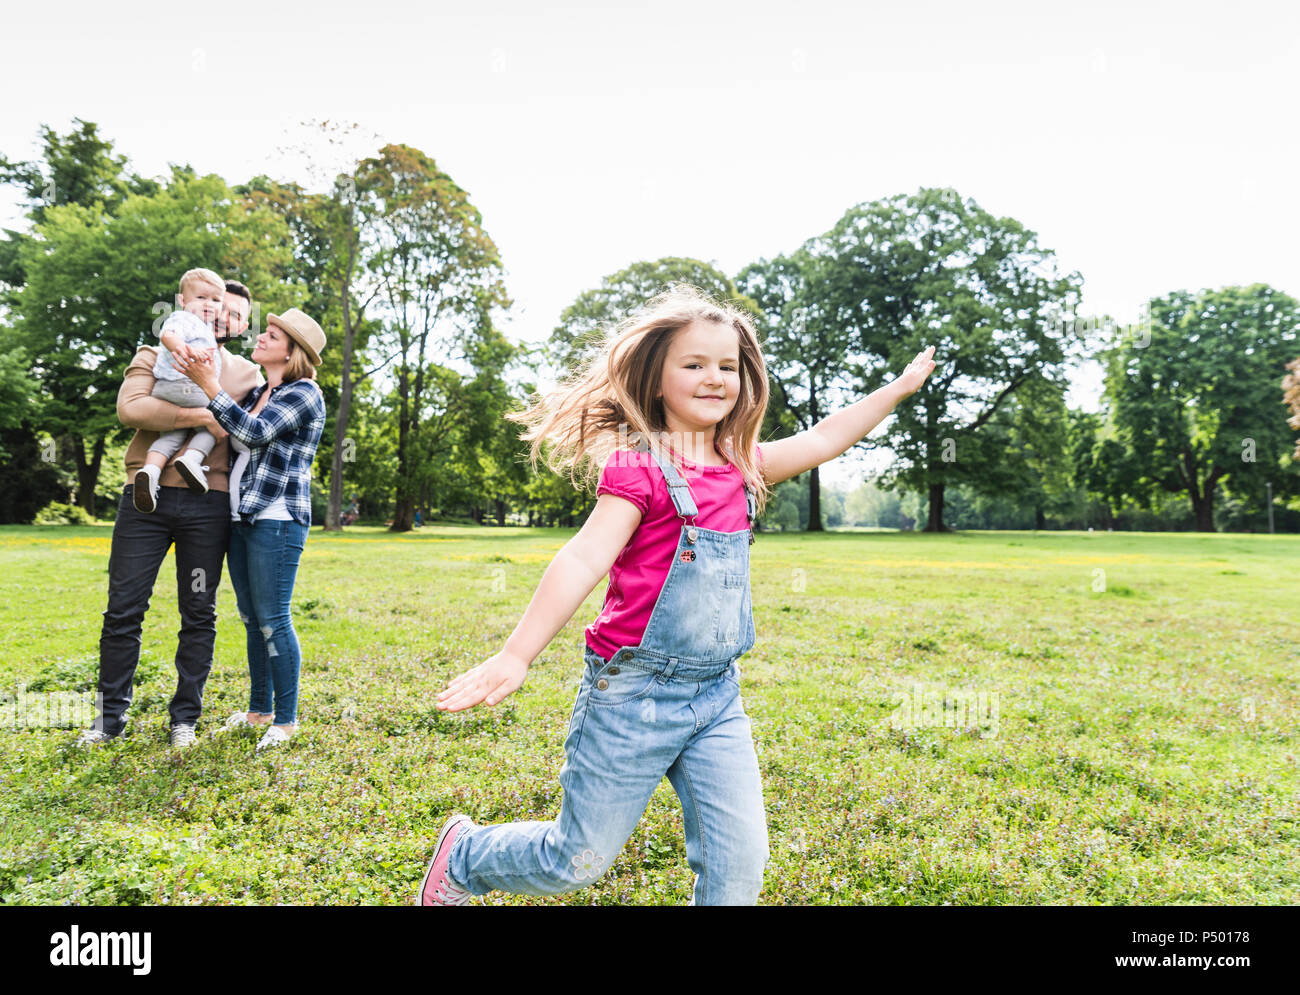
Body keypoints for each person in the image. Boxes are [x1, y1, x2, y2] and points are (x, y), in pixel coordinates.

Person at [417, 283, 937, 905]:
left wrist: (899, 389)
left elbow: (826, 438)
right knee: (575, 861)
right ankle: (467, 855)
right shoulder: (638, 471)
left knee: (739, 867)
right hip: (632, 696)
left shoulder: (745, 467)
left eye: (728, 365)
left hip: (716, 696)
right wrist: (515, 654)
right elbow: (582, 558)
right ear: (657, 379)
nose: (714, 377)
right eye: (694, 364)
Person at [77, 280, 262, 749]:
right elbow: (132, 408)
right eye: (216, 305)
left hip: (207, 506)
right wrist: (202, 417)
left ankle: (185, 720)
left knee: (198, 610)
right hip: (145, 501)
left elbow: (256, 433)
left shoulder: (248, 375)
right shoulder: (153, 352)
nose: (222, 316)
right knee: (123, 609)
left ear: (242, 324)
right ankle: (108, 720)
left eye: (234, 313)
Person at [177, 308, 327, 753]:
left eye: (273, 334)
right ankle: (259, 710)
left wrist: (210, 386)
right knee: (250, 618)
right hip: (243, 515)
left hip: (278, 518)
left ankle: (286, 720)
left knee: (274, 618)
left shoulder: (305, 393)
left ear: (292, 350)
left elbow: (256, 434)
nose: (262, 336)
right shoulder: (260, 390)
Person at [133, 267, 227, 512]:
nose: (209, 304)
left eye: (216, 300)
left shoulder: (201, 326)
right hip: (187, 386)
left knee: (172, 436)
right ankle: (192, 459)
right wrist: (184, 349)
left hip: (166, 390)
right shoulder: (185, 319)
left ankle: (150, 472)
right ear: (182, 301)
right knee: (213, 424)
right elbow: (167, 335)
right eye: (201, 297)